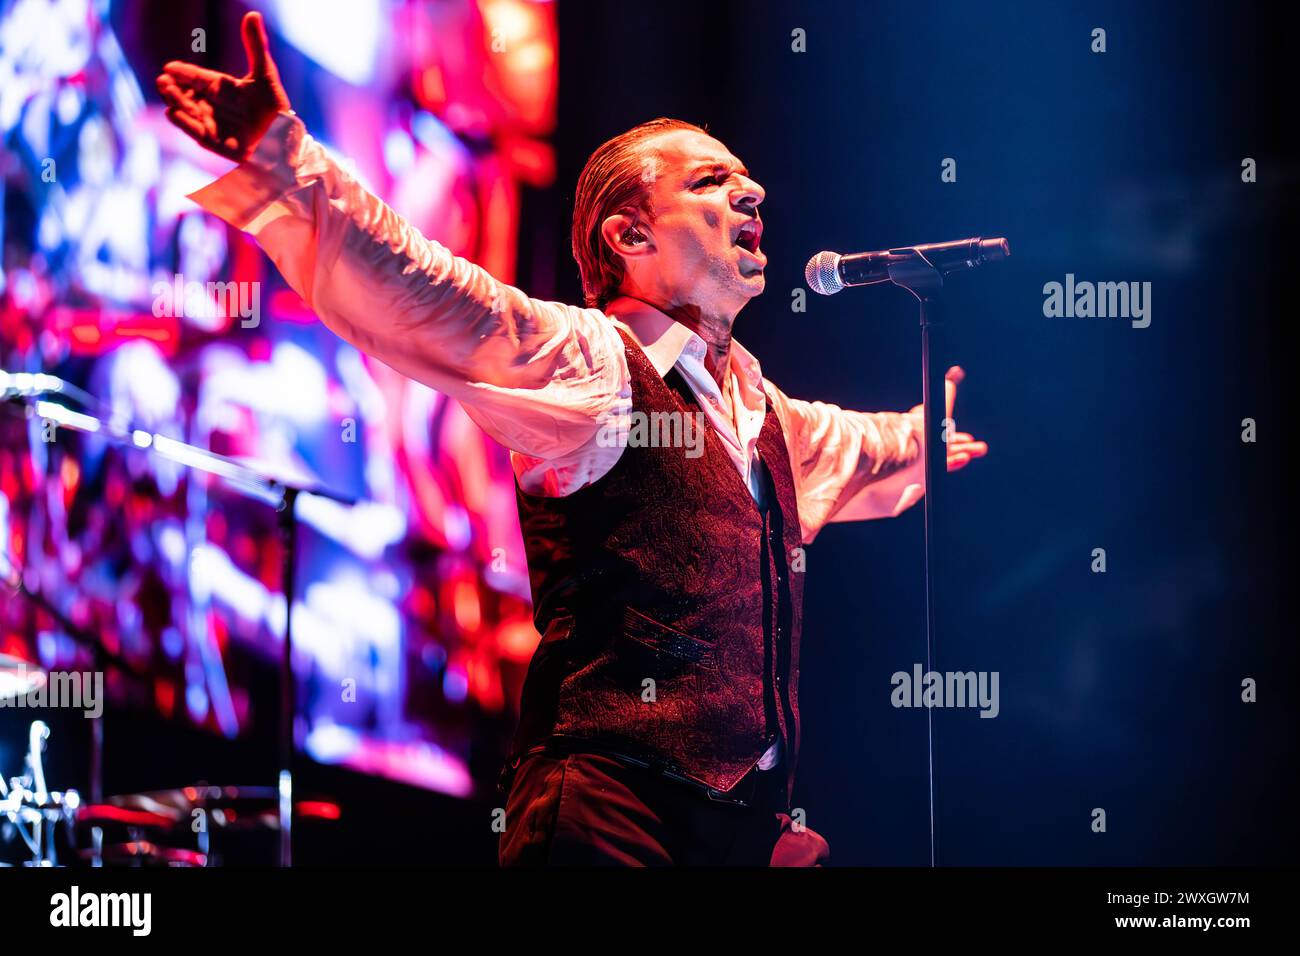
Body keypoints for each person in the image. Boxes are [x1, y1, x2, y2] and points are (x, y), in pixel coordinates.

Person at [158, 11, 988, 866]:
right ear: (629, 235)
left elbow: (861, 448)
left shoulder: (764, 410)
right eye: (710, 182)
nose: (752, 193)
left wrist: (928, 433)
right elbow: (421, 282)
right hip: (609, 814)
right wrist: (284, 157)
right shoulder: (588, 361)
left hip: (746, 830)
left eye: (745, 179)